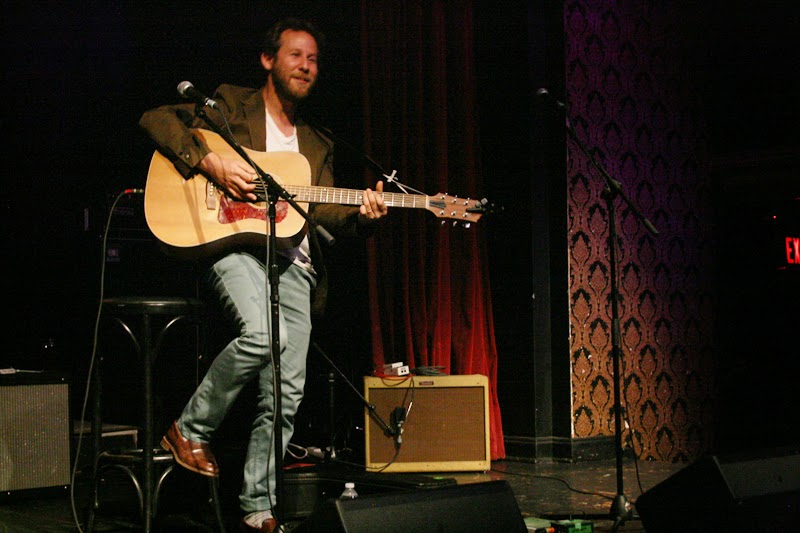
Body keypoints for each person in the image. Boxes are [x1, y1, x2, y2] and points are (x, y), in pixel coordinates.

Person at [139, 17, 388, 533]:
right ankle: (189, 428)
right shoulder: (230, 105)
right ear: (269, 60)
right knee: (261, 335)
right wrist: (210, 162)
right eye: (296, 55)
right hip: (234, 249)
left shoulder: (316, 142)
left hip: (292, 262)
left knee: (287, 390)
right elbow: (157, 119)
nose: (306, 65)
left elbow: (320, 214)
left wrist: (363, 216)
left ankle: (258, 508)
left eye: (314, 58)